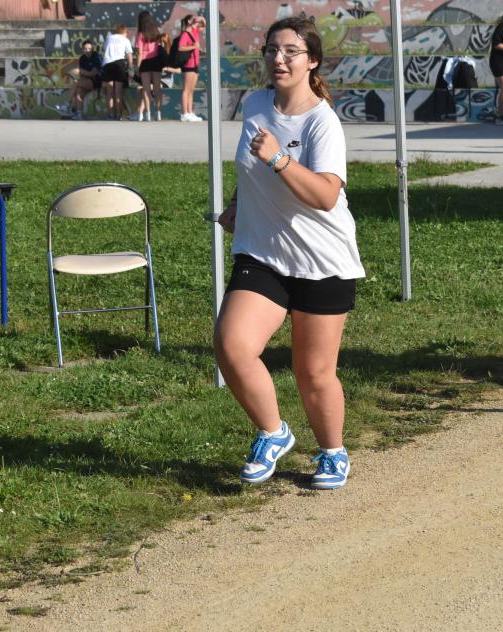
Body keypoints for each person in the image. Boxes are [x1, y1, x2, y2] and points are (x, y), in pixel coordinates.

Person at [214, 17, 364, 490]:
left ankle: (333, 452)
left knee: (313, 372)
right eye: (272, 50)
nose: (278, 59)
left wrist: (280, 159)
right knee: (232, 346)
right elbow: (248, 169)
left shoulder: (323, 122)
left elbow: (324, 196)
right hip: (263, 252)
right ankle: (273, 431)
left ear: (311, 60)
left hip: (323, 261)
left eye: (291, 52)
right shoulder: (256, 104)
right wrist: (239, 205)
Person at [134, 11, 169, 121]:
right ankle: (159, 114)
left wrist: (138, 67)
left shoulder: (141, 34)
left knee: (146, 90)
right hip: (156, 62)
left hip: (145, 63)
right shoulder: (156, 31)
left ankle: (148, 114)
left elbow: (139, 53)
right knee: (157, 89)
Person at [57, 40, 101, 120]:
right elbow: (82, 74)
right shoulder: (82, 58)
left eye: (89, 48)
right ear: (83, 49)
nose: (87, 50)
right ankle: (79, 114)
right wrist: (81, 74)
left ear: (92, 49)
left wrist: (82, 72)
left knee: (76, 82)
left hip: (95, 81)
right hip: (86, 81)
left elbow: (94, 73)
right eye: (85, 48)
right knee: (78, 90)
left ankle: (67, 104)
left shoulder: (96, 57)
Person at [101, 24, 134, 120]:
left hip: (107, 64)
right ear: (125, 32)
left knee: (109, 92)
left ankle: (110, 114)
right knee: (118, 91)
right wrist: (130, 68)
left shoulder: (109, 38)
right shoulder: (125, 40)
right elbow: (129, 56)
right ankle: (118, 115)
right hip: (119, 64)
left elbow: (104, 49)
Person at [176, 15, 205, 122]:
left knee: (191, 90)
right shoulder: (185, 33)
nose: (196, 21)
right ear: (189, 21)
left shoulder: (195, 31)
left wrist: (199, 18)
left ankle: (190, 112)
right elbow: (180, 47)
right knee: (186, 89)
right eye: (193, 19)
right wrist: (193, 46)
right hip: (188, 64)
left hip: (195, 63)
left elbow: (204, 24)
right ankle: (184, 113)